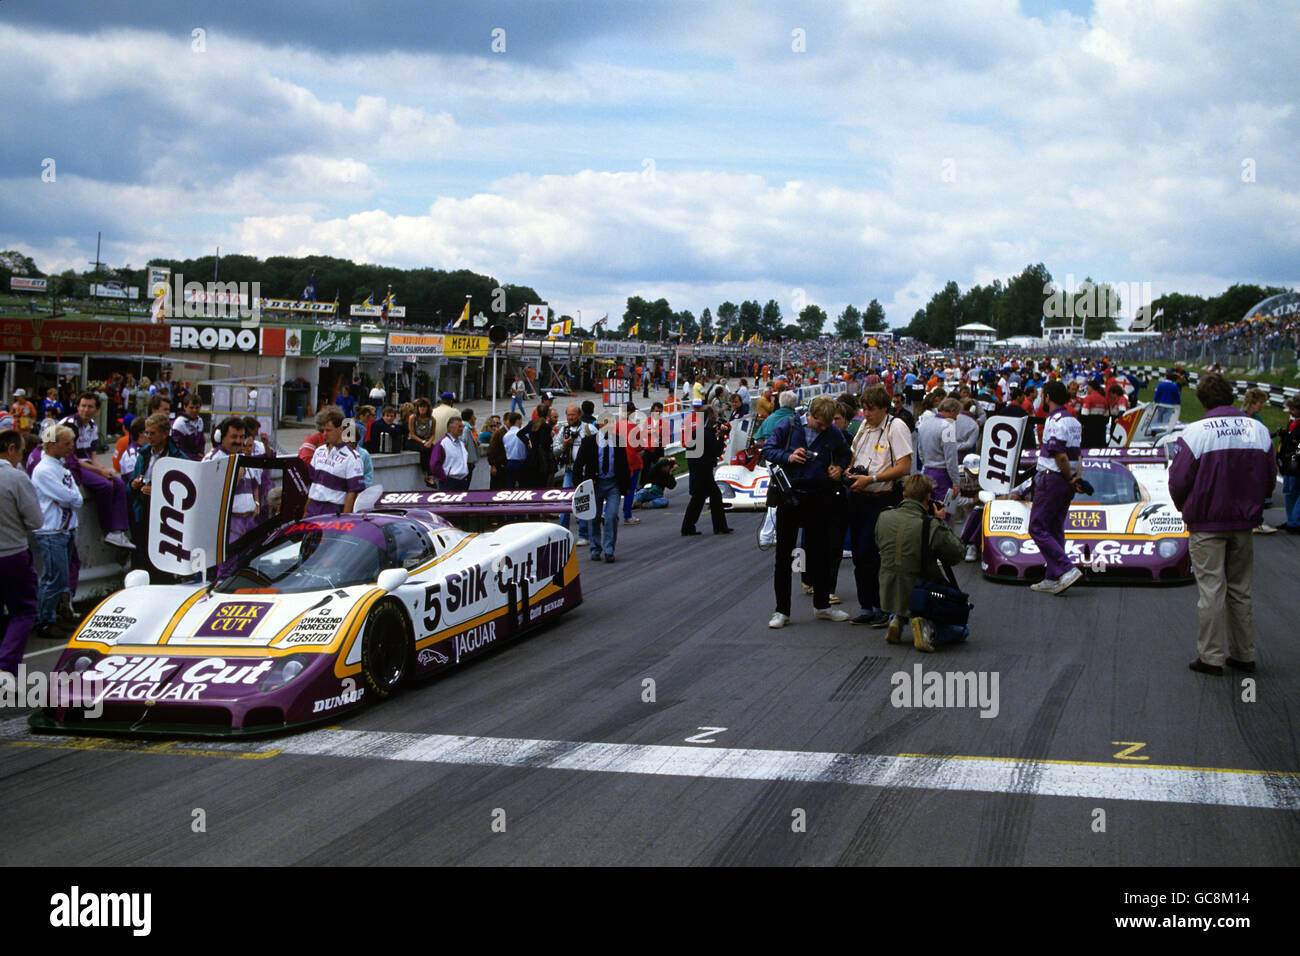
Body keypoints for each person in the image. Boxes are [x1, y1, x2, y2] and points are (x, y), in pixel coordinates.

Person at [1169, 373, 1277, 675]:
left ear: (1203, 401)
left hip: (1206, 522)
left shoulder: (1196, 431)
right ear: (1230, 396)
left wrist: (1186, 509)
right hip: (1243, 521)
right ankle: (1244, 654)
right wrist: (1254, 506)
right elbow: (1271, 478)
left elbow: (1178, 481)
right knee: (1241, 589)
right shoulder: (1258, 429)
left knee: (1211, 589)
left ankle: (1211, 656)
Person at [762, 395, 851, 627]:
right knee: (784, 555)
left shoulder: (832, 432)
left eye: (827, 424)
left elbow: (845, 452)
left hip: (819, 496)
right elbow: (768, 450)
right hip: (790, 496)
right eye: (819, 423)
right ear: (809, 414)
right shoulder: (788, 425)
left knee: (820, 553)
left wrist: (839, 468)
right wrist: (788, 457)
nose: (822, 428)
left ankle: (822, 605)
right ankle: (782, 610)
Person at [845, 385, 914, 626]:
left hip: (883, 498)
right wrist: (850, 472)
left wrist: (872, 479)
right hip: (859, 496)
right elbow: (854, 456)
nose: (866, 414)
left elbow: (905, 466)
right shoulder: (864, 426)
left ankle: (885, 607)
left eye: (871, 410)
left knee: (873, 553)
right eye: (864, 409)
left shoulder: (896, 427)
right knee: (859, 554)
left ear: (884, 408)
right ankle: (867, 606)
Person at [875, 473, 967, 652]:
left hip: (889, 591)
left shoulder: (884, 517)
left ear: (903, 495)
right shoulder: (930, 525)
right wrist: (940, 522)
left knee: (901, 571)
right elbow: (956, 554)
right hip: (920, 592)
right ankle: (927, 629)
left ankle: (897, 618)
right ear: (928, 497)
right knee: (962, 631)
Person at [54, 391, 133, 551]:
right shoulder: (68, 424)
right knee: (105, 486)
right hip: (71, 465)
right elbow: (72, 458)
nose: (85, 409)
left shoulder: (92, 426)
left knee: (117, 483)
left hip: (87, 463)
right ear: (78, 406)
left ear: (96, 409)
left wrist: (104, 469)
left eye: (90, 407)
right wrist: (99, 472)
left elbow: (93, 456)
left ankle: (119, 530)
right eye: (83, 406)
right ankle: (107, 529)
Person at [1028, 380, 1085, 595]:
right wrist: (1075, 478)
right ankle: (1053, 577)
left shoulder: (1054, 420)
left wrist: (1068, 476)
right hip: (1065, 480)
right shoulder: (1073, 421)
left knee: (1036, 527)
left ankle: (1066, 568)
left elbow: (1059, 454)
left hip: (1052, 477)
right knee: (1054, 528)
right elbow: (1077, 454)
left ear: (1048, 397)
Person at [31, 425, 83, 640]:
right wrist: (71, 497)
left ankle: (52, 616)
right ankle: (45, 621)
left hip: (64, 528)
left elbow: (76, 498)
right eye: (67, 443)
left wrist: (71, 497)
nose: (71, 447)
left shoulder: (60, 467)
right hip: (52, 530)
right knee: (55, 577)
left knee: (60, 577)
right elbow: (69, 497)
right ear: (53, 445)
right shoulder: (44, 470)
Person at [0, 429, 44, 680]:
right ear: (11, 449)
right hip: (12, 554)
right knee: (25, 610)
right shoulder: (16, 478)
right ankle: (5, 667)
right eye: (21, 451)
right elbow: (36, 520)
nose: (22, 457)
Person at [574, 415, 630, 562]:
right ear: (599, 424)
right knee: (594, 517)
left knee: (611, 516)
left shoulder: (618, 441)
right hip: (595, 484)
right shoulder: (589, 441)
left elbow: (624, 464)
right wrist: (579, 485)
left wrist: (626, 486)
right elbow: (578, 464)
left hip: (613, 484)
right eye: (606, 423)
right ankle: (595, 548)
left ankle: (609, 549)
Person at [680, 403, 733, 536]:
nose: (716, 418)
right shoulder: (706, 433)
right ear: (709, 416)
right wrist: (721, 437)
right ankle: (719, 527)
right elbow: (717, 451)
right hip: (703, 469)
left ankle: (689, 527)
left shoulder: (697, 431)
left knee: (700, 498)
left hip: (697, 467)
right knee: (711, 496)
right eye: (714, 415)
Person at [302, 408, 364, 517]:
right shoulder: (319, 451)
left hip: (333, 510)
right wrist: (305, 512)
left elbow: (352, 493)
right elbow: (313, 485)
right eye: (323, 430)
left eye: (329, 430)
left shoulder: (352, 457)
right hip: (313, 508)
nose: (324, 434)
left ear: (340, 429)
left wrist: (345, 519)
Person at [556, 404, 597, 544]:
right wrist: (564, 445)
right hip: (569, 470)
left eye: (573, 415)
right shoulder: (563, 430)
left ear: (579, 415)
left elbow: (598, 448)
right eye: (568, 415)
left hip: (585, 472)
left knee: (582, 503)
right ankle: (563, 536)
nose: (570, 417)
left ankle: (584, 535)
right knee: (565, 503)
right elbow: (554, 450)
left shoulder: (589, 428)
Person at [428, 416, 471, 490]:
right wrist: (443, 479)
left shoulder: (461, 443)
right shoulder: (443, 443)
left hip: (462, 481)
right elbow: (434, 464)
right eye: (459, 427)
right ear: (451, 428)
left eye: (462, 427)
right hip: (449, 482)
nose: (462, 429)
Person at [1277, 395, 1300, 533]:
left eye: (1293, 409)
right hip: (1287, 464)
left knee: (1296, 491)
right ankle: (1291, 519)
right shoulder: (1291, 422)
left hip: (1296, 464)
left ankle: (1295, 522)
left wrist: (1296, 454)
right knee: (1288, 491)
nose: (1290, 411)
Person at [171, 393, 207, 460]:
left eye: (197, 407)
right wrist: (195, 457)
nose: (194, 410)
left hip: (197, 458)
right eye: (191, 407)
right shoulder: (179, 423)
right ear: (185, 407)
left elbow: (202, 442)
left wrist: (201, 453)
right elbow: (178, 449)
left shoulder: (200, 421)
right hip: (184, 460)